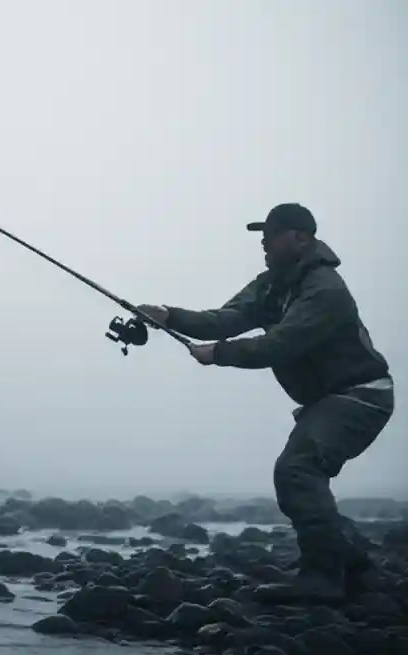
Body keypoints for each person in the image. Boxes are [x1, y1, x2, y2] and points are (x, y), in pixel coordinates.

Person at [138, 203, 394, 604]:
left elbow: (281, 344)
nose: (263, 242)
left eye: (272, 234)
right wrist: (169, 315)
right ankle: (356, 568)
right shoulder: (271, 285)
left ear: (301, 238)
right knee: (300, 473)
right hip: (327, 399)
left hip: (361, 396)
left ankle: (322, 579)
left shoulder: (325, 289)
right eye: (263, 235)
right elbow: (224, 318)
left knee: (297, 470)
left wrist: (218, 354)